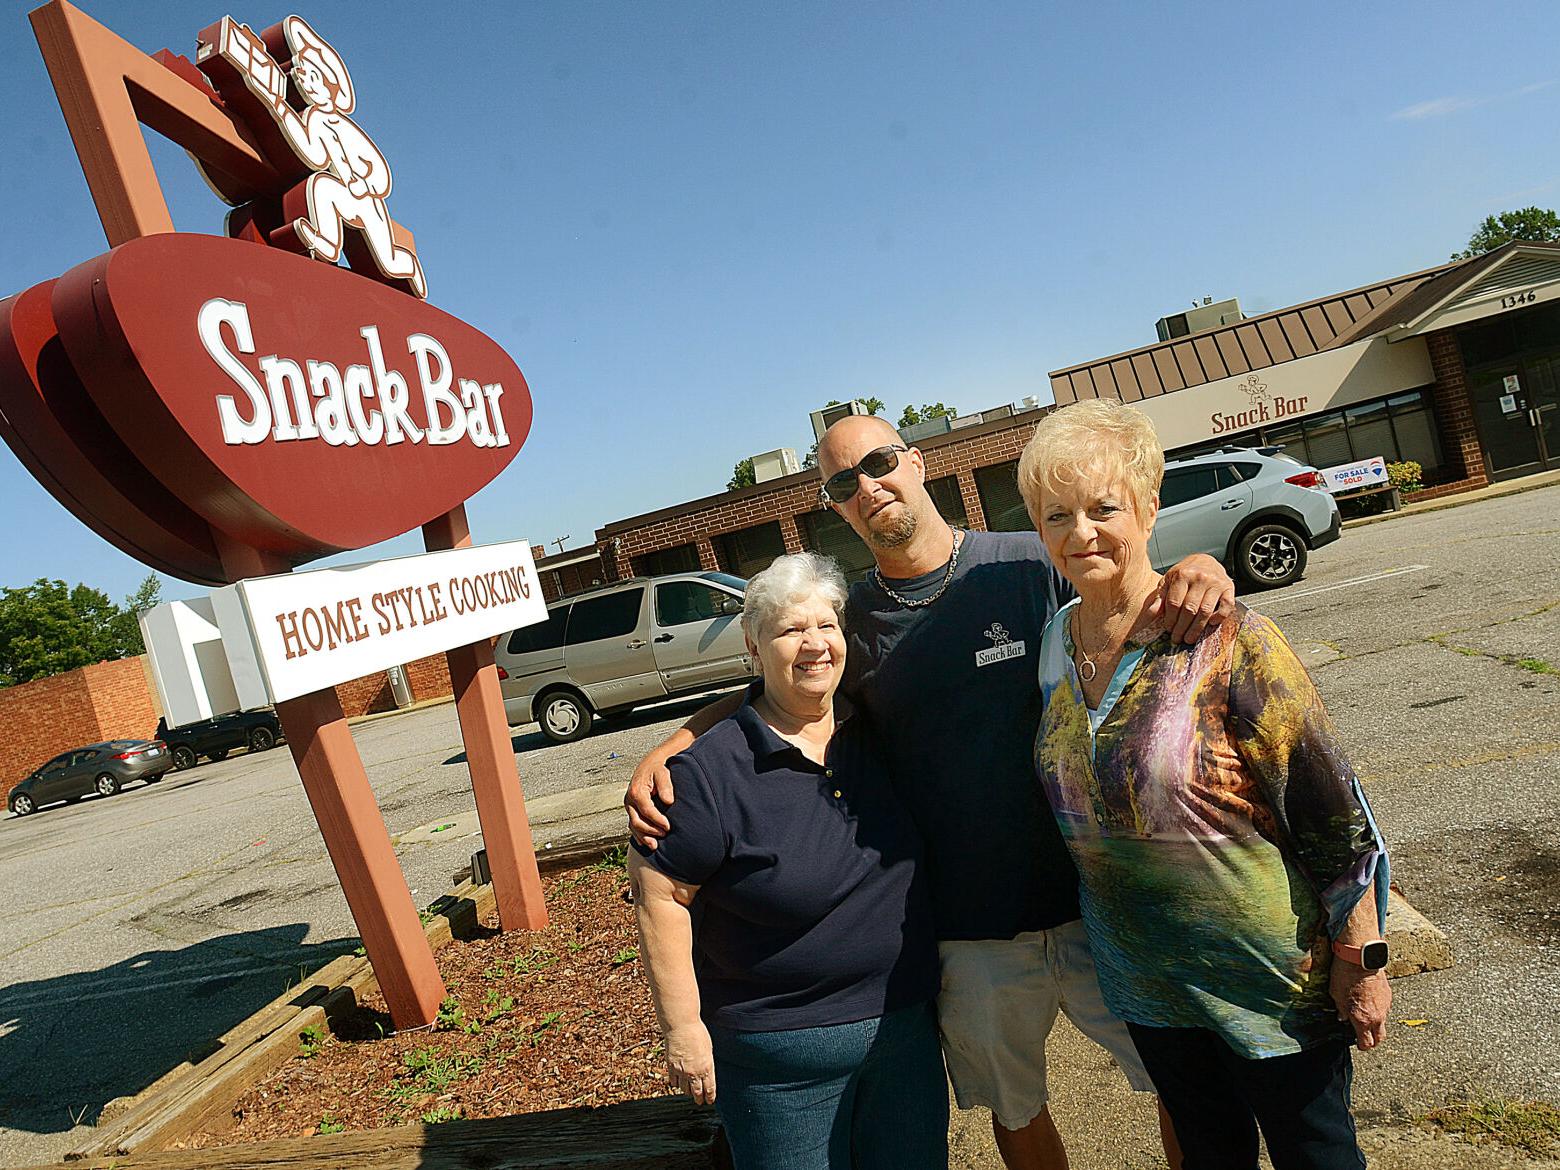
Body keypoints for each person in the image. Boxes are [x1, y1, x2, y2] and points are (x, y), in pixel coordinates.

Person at [629, 412, 1238, 1170]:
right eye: (842, 483)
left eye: (879, 462)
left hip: (1096, 901)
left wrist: (1197, 567)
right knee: (1016, 1107)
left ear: (917, 462)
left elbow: (1127, 595)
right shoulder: (851, 620)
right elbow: (785, 681)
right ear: (836, 506)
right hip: (968, 928)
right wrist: (679, 740)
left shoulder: (1025, 565)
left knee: (1179, 1084)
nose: (867, 487)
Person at [1017, 399, 1391, 1170]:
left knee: (1317, 1156)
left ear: (1149, 507)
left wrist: (1362, 954)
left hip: (1271, 983)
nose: (1081, 533)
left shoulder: (1226, 635)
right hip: (1148, 988)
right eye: (1058, 515)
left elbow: (1328, 806)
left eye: (1103, 508)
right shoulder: (1054, 644)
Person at [629, 551, 947, 1170]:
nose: (815, 644)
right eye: (790, 630)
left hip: (902, 1028)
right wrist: (683, 1028)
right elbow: (660, 895)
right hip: (777, 1060)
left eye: (826, 625)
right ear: (754, 647)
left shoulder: (876, 727)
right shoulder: (709, 773)